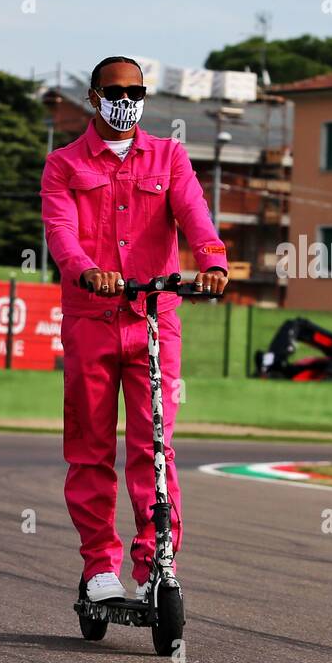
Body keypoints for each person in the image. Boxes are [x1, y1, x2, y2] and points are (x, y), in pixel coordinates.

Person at [40, 55, 228, 602]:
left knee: (155, 446)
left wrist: (213, 261)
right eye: (114, 91)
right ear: (94, 97)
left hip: (154, 322)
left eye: (135, 90)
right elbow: (60, 233)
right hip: (91, 320)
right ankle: (100, 566)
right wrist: (85, 272)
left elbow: (194, 212)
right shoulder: (65, 164)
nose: (126, 100)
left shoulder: (168, 156)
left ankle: (156, 561)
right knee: (91, 447)